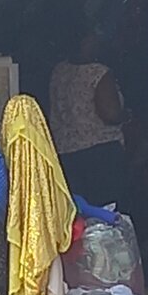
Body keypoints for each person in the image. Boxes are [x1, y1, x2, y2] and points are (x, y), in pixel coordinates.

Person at [48, 30, 128, 210]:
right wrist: (127, 116)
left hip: (66, 153)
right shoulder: (98, 73)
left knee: (79, 214)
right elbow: (110, 113)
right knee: (106, 214)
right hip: (100, 155)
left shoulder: (60, 70)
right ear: (84, 41)